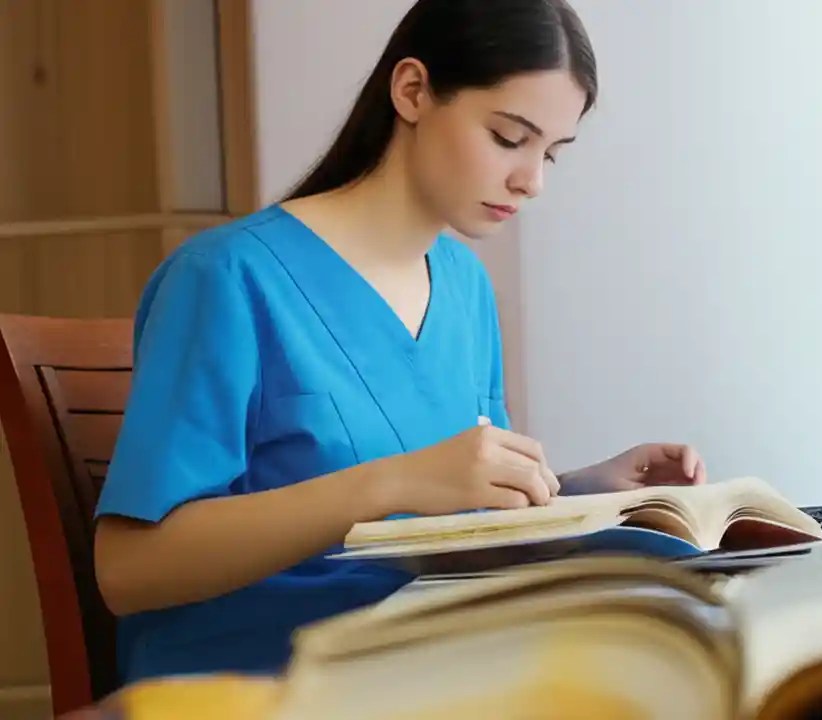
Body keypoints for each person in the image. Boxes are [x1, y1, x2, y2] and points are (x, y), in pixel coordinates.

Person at [93, 0, 706, 685]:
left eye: (551, 154)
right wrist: (393, 482)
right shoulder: (226, 278)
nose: (531, 180)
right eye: (509, 137)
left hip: (438, 651)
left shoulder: (463, 286)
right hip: (268, 673)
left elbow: (447, 519)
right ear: (412, 91)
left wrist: (573, 488)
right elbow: (129, 570)